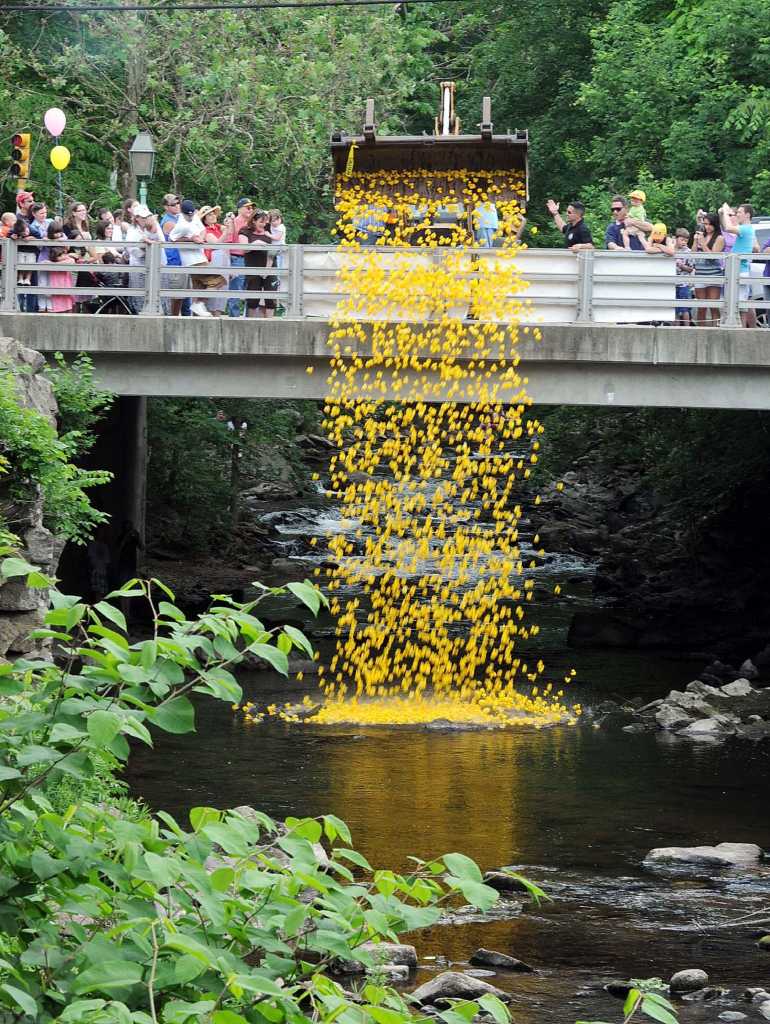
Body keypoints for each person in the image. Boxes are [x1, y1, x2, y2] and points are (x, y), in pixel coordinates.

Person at [169, 199, 211, 318]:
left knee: (201, 286)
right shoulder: (181, 225)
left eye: (192, 214)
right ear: (183, 213)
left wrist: (200, 238)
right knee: (215, 281)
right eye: (188, 215)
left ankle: (197, 310)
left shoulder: (195, 218)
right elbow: (172, 238)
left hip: (200, 257)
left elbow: (203, 230)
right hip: (189, 260)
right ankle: (196, 306)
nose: (190, 217)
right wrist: (190, 239)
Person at [719, 202, 757, 328]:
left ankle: (741, 331)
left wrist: (725, 211)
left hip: (740, 271)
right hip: (737, 270)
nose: (737, 214)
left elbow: (728, 228)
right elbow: (726, 226)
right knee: (737, 305)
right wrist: (722, 214)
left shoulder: (745, 229)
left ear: (747, 215)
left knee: (740, 307)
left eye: (740, 212)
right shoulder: (747, 228)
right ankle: (739, 329)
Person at [124, 203, 164, 314]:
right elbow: (132, 249)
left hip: (156, 265)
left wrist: (151, 236)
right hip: (139, 267)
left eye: (147, 216)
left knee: (157, 295)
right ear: (136, 218)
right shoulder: (132, 230)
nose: (145, 219)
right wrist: (145, 247)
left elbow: (162, 241)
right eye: (143, 217)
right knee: (139, 296)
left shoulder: (155, 226)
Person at [240, 208, 278, 318]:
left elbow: (273, 250)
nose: (264, 224)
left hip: (270, 267)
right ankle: (250, 323)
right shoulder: (245, 231)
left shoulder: (269, 230)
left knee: (270, 299)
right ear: (253, 221)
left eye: (265, 221)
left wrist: (267, 269)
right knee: (252, 300)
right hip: (253, 268)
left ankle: (270, 323)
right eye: (261, 221)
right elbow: (244, 249)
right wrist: (256, 243)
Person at [692, 212, 724, 326]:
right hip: (700, 273)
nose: (707, 227)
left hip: (713, 275)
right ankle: (701, 332)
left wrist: (703, 243)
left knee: (713, 306)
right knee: (701, 307)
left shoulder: (719, 238)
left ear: (715, 224)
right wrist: (696, 240)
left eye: (710, 224)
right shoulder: (702, 235)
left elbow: (712, 256)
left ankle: (715, 329)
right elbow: (693, 253)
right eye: (705, 224)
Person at [225, 198, 255, 316]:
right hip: (237, 258)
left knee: (251, 289)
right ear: (240, 209)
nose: (250, 210)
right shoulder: (233, 222)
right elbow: (227, 243)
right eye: (248, 207)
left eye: (252, 208)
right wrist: (228, 263)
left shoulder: (252, 222)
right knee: (235, 290)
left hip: (251, 259)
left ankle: (247, 318)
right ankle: (234, 319)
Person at [160, 193, 186, 317]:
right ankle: (171, 319)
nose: (177, 205)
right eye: (173, 204)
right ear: (166, 207)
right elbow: (185, 234)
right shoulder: (168, 221)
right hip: (173, 262)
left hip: (181, 261)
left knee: (180, 296)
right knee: (174, 296)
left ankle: (176, 318)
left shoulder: (179, 218)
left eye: (178, 203)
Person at [199, 204, 229, 315]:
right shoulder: (205, 230)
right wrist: (226, 232)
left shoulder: (218, 227)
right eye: (209, 215)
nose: (213, 216)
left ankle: (217, 316)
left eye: (213, 214)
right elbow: (216, 244)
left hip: (223, 260)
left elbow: (230, 231)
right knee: (214, 286)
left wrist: (229, 224)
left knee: (223, 289)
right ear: (204, 219)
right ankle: (202, 308)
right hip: (213, 260)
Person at [46, 220, 79, 313]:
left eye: (59, 232)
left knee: (68, 299)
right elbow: (47, 262)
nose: (58, 235)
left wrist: (57, 262)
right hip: (55, 282)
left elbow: (71, 261)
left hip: (65, 281)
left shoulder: (64, 242)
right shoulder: (51, 252)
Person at [29, 202, 53, 311]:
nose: (44, 215)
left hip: (53, 255)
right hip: (41, 255)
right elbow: (37, 245)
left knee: (51, 281)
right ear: (34, 214)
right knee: (42, 281)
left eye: (45, 212)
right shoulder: (32, 226)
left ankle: (51, 306)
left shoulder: (50, 222)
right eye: (41, 213)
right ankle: (42, 306)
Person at [9, 218, 35, 311]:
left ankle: (27, 279)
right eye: (23, 233)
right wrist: (12, 236)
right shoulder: (15, 229)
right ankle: (20, 278)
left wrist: (31, 238)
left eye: (26, 231)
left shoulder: (32, 228)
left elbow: (39, 235)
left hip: (31, 251)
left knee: (30, 265)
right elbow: (9, 234)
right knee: (20, 264)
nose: (26, 233)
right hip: (20, 250)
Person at [674, 228, 694, 326]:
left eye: (686, 241)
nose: (684, 242)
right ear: (676, 239)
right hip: (672, 284)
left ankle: (687, 327)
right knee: (675, 309)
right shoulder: (671, 250)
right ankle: (675, 328)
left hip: (684, 284)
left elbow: (691, 269)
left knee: (685, 308)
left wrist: (682, 266)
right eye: (682, 240)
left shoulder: (688, 252)